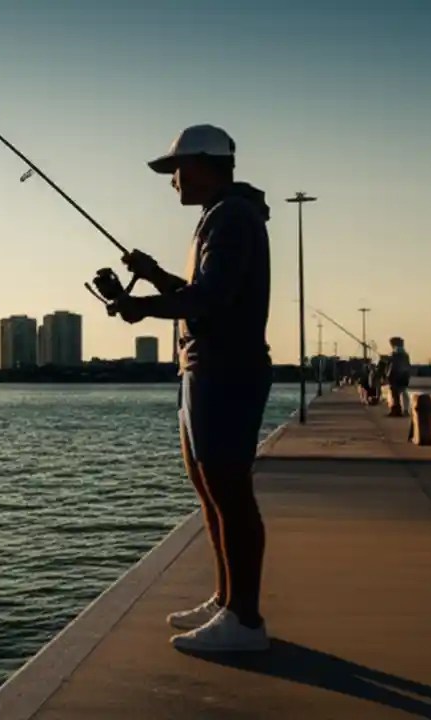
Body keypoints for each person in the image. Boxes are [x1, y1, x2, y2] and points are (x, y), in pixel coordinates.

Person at [106, 124, 273, 653]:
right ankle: (226, 600)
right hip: (201, 369)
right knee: (208, 490)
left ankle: (245, 621)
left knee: (230, 493)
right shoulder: (217, 217)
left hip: (226, 370)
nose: (172, 181)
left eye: (175, 170)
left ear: (204, 164)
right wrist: (155, 276)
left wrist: (140, 307)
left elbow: (212, 299)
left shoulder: (233, 218)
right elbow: (201, 293)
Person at [386, 338, 412, 416]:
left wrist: (388, 376)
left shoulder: (395, 353)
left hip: (396, 376)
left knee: (395, 394)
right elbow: (408, 366)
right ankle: (406, 410)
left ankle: (396, 410)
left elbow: (392, 366)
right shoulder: (405, 355)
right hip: (404, 376)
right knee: (404, 392)